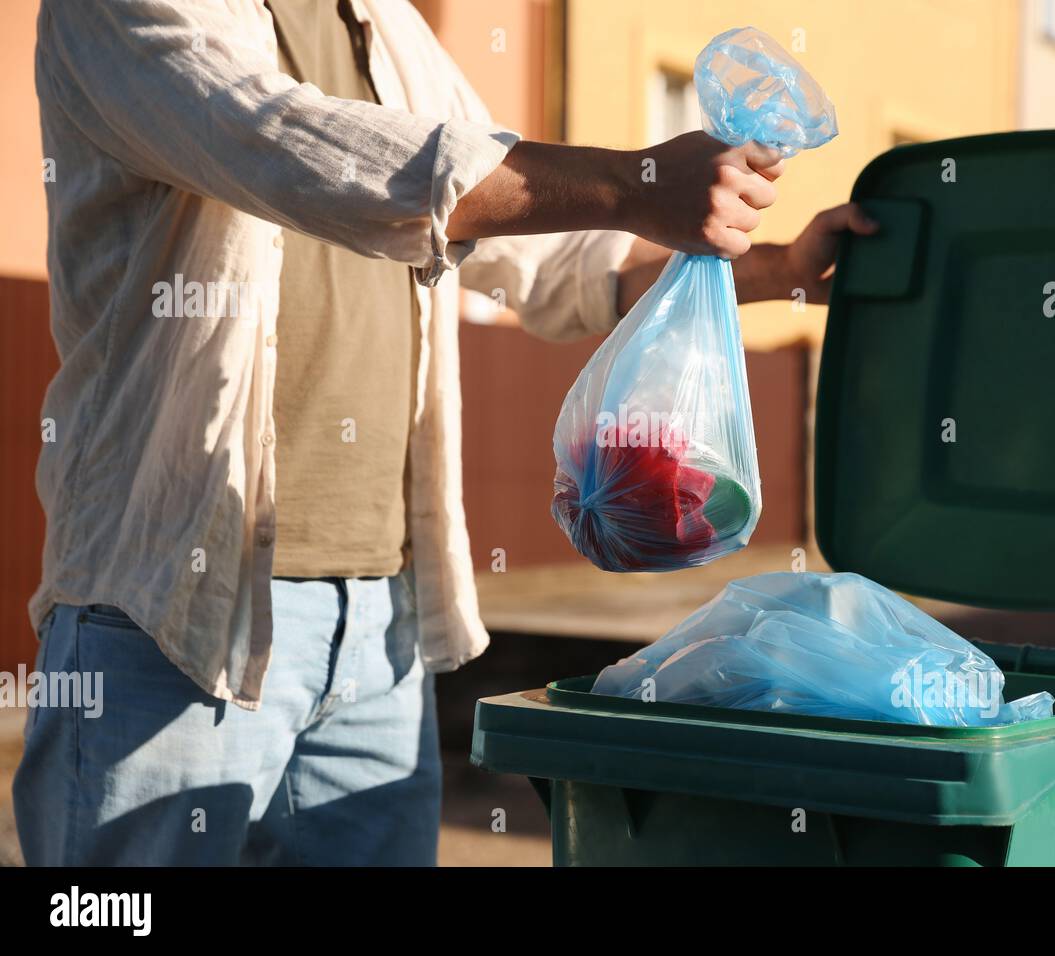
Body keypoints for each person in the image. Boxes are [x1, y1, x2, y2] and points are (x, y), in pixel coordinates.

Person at [15, 0, 878, 866]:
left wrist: (778, 268)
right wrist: (637, 183)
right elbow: (285, 148)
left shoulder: (385, 23)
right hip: (172, 613)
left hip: (384, 620)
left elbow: (546, 259)